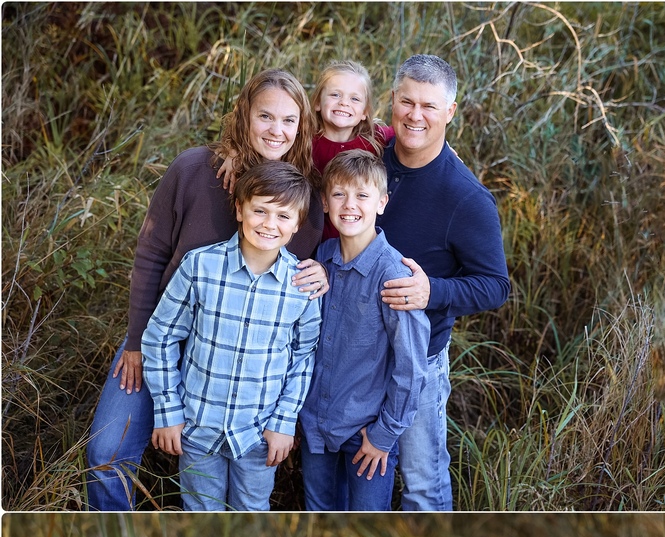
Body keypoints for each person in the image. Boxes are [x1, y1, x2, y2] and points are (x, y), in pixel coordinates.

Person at [86, 68, 328, 510]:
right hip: (162, 338)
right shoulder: (195, 168)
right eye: (265, 116)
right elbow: (150, 256)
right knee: (106, 456)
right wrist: (137, 341)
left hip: (238, 359)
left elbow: (307, 276)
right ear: (245, 115)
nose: (276, 130)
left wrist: (325, 272)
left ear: (302, 127)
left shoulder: (302, 200)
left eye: (288, 120)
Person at [141, 162, 320, 511]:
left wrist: (284, 422)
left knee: (251, 510)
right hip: (197, 426)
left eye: (284, 216)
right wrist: (168, 410)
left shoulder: (301, 285)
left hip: (258, 433)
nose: (270, 224)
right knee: (200, 510)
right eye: (260, 211)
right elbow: (159, 337)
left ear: (297, 224)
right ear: (240, 209)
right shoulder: (199, 266)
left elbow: (303, 357)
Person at [375, 54, 511, 511]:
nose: (416, 115)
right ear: (391, 100)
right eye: (406, 102)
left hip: (417, 362)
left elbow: (495, 285)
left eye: (430, 106)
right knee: (361, 472)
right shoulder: (367, 160)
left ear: (450, 112)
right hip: (354, 354)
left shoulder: (466, 198)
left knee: (422, 485)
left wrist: (433, 290)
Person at [299, 151, 429, 511]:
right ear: (324, 202)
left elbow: (412, 366)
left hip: (367, 434)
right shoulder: (321, 257)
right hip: (316, 425)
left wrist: (384, 435)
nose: (349, 205)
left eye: (362, 196)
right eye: (339, 194)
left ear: (382, 202)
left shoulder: (394, 276)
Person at [310, 60, 395, 238]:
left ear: (365, 111)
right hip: (314, 238)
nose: (344, 103)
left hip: (357, 238)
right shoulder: (304, 140)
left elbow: (413, 136)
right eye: (335, 95)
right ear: (318, 102)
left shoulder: (375, 138)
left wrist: (445, 149)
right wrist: (233, 152)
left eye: (354, 99)